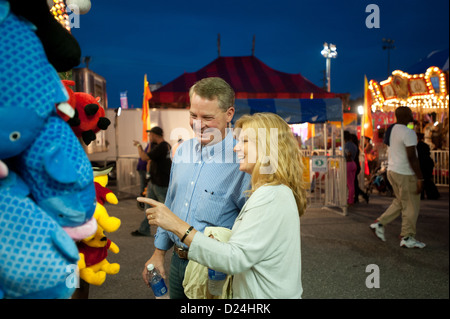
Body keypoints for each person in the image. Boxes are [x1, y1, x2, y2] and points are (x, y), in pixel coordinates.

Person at [139, 112, 306, 298]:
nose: (236, 149)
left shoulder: (271, 196)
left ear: (267, 147)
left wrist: (177, 226)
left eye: (244, 142)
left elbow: (234, 258)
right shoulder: (272, 192)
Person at [139, 77, 251, 298]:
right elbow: (170, 203)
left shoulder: (242, 160)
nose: (197, 124)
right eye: (193, 115)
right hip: (177, 263)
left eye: (207, 117)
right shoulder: (181, 151)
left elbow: (251, 227)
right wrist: (159, 253)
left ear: (229, 114)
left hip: (214, 271)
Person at [370, 106, 426, 248]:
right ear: (408, 116)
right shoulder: (409, 133)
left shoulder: (393, 130)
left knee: (400, 202)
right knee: (411, 206)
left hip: (392, 171)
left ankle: (379, 223)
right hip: (405, 173)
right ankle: (407, 237)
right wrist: (420, 177)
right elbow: (412, 157)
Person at [131, 126, 172, 237]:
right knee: (148, 207)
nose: (149, 137)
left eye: (150, 135)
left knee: (164, 208)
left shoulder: (162, 147)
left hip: (161, 183)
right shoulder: (164, 146)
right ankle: (144, 229)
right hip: (155, 182)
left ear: (155, 135)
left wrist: (139, 146)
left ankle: (170, 231)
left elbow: (144, 157)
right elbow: (149, 159)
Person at [416, 132, 440, 200]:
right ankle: (432, 194)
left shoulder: (417, 146)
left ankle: (422, 194)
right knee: (427, 180)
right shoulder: (424, 145)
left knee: (423, 179)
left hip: (422, 164)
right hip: (427, 163)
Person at [344, 131, 357, 205]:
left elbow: (348, 153)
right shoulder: (354, 145)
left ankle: (350, 200)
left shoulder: (346, 145)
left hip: (348, 164)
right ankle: (350, 198)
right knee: (351, 183)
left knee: (350, 185)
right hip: (353, 164)